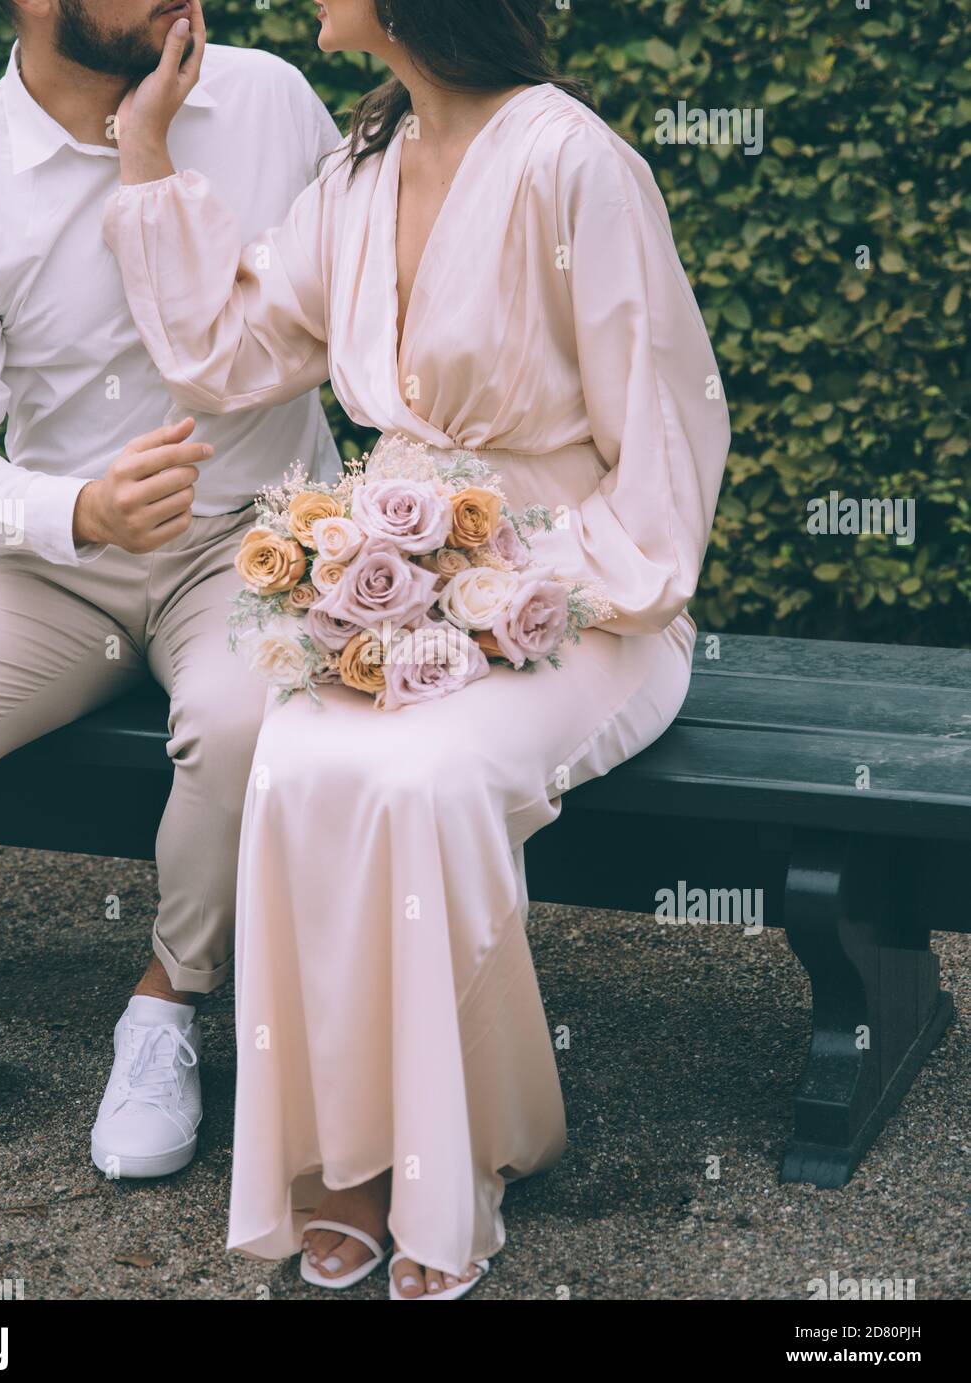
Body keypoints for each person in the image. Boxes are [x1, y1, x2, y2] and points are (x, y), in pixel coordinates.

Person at [106, 0, 731, 1299]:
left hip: (581, 596)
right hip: (384, 572)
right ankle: (340, 1152)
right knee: (290, 764)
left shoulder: (574, 163)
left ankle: (461, 1162)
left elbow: (665, 436)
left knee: (425, 780)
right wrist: (143, 152)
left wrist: (524, 573)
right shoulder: (359, 168)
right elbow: (229, 351)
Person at [0, 0, 341, 1181]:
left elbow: (361, 291)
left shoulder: (271, 98)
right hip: (58, 561)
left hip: (254, 540)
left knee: (240, 725)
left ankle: (165, 1005)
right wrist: (76, 510)